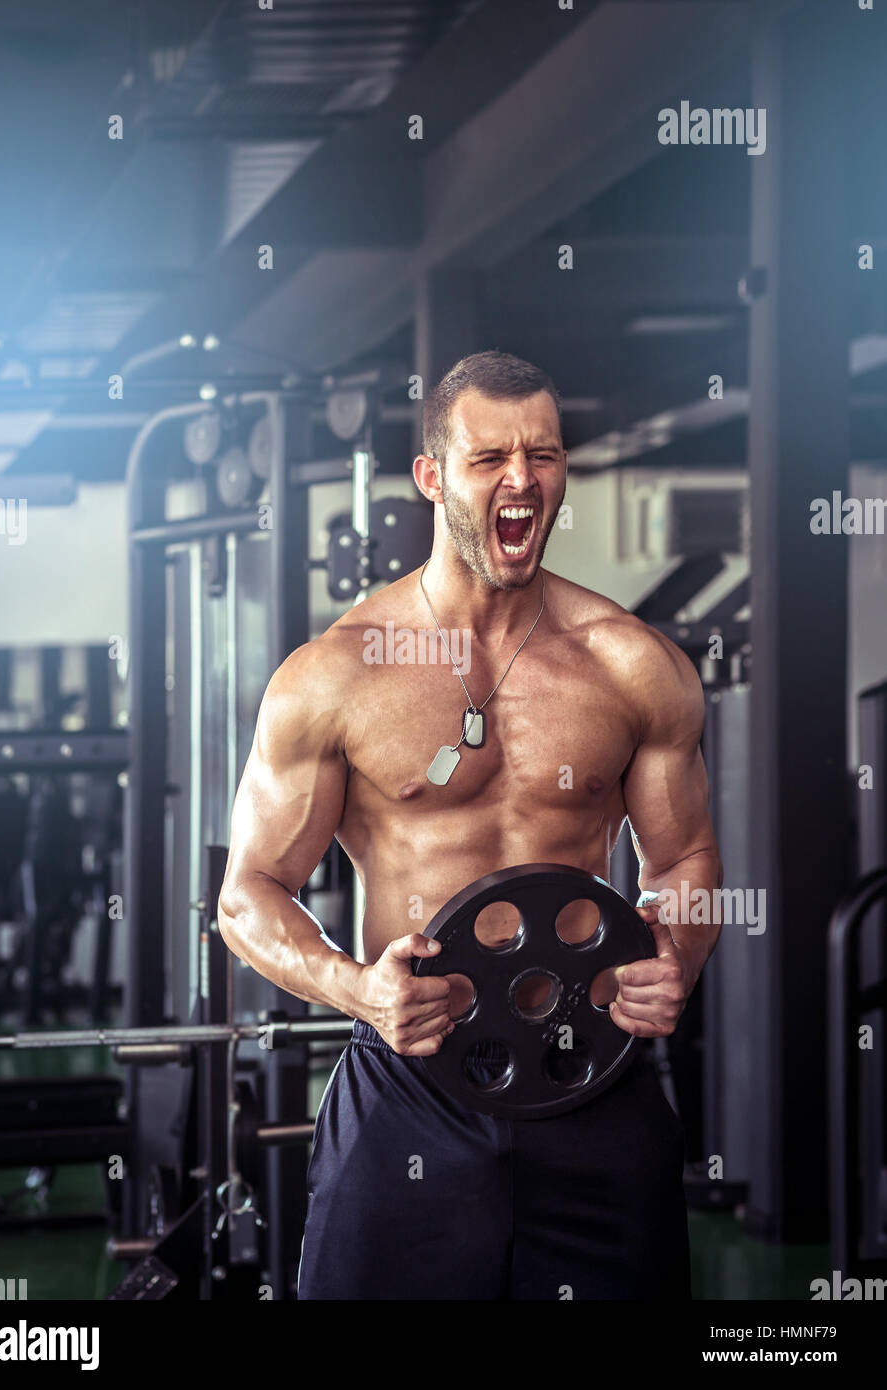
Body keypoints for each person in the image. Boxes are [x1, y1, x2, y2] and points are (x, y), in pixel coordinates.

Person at [218, 350, 723, 1300]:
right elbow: (246, 897)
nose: (521, 478)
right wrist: (359, 990)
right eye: (489, 458)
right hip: (414, 1088)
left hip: (591, 1071)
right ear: (432, 477)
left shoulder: (631, 666)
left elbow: (686, 856)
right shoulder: (336, 674)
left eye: (543, 454)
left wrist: (677, 958)